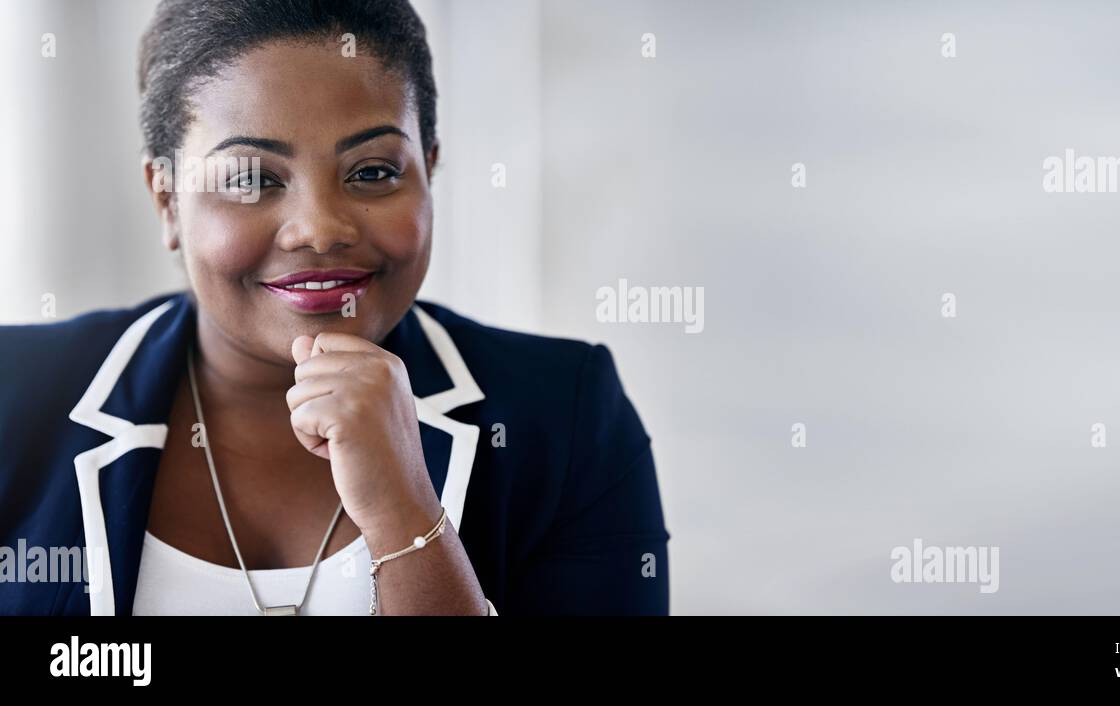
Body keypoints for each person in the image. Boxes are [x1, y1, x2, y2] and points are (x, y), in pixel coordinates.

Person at [0, 0, 669, 616]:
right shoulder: (15, 395)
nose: (319, 229)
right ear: (166, 197)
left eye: (373, 172)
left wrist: (404, 513)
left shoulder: (569, 417)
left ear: (428, 172)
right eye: (251, 178)